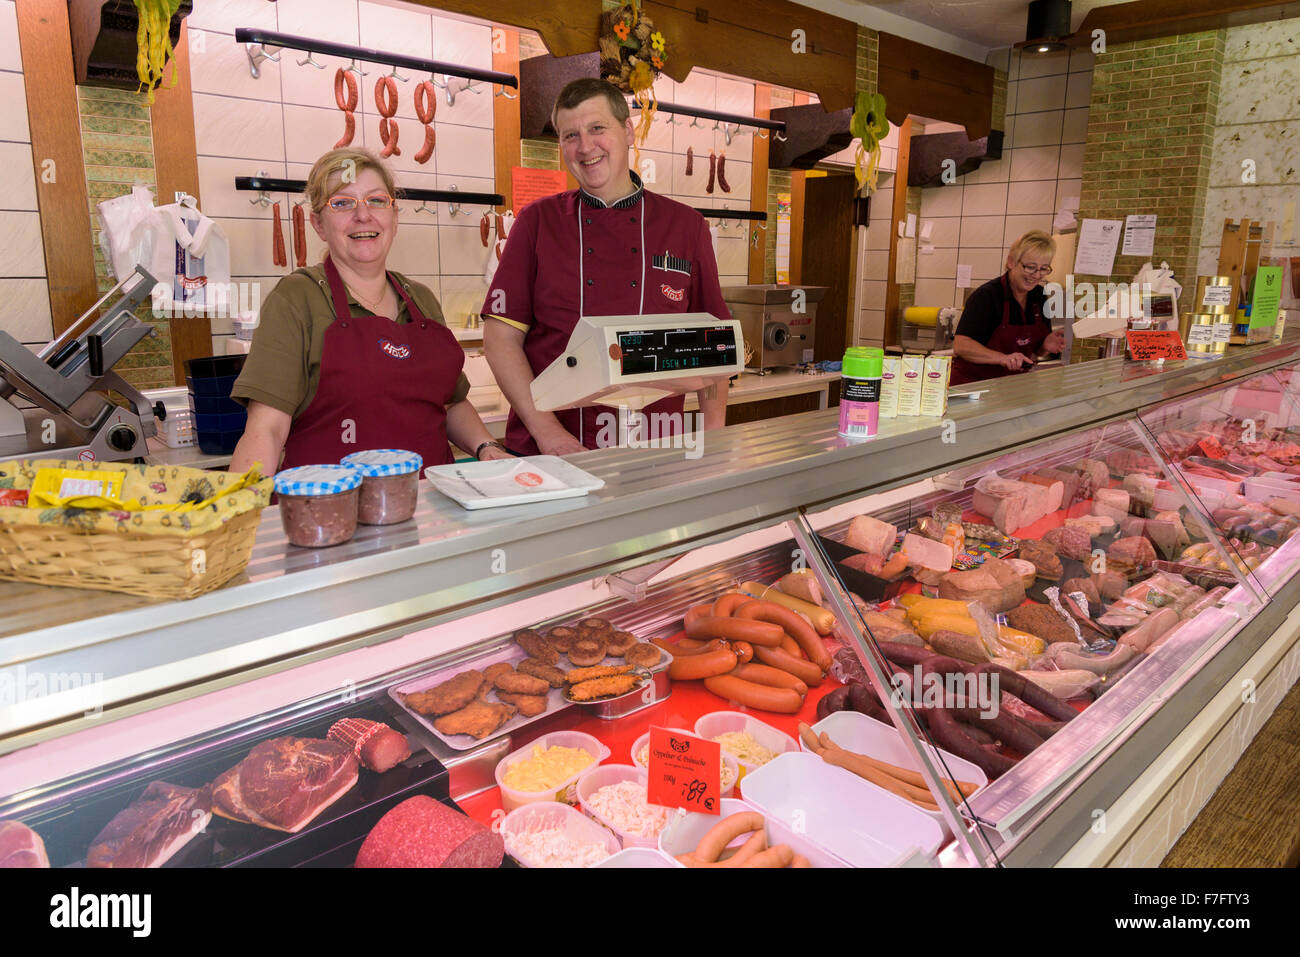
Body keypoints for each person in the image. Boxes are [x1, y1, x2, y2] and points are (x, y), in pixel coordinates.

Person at [482, 78, 730, 456]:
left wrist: (713, 441)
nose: (585, 147)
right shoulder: (537, 222)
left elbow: (716, 346)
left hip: (654, 451)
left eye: (597, 128)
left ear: (628, 131)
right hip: (551, 451)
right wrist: (549, 434)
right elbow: (500, 339)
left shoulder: (685, 227)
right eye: (570, 135)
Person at [228, 148, 510, 474]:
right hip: (332, 512)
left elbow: (451, 403)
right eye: (342, 203)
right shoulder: (296, 299)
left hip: (432, 506)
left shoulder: (421, 300)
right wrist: (242, 512)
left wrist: (486, 446)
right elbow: (267, 430)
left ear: (395, 215)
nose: (363, 216)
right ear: (318, 224)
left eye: (376, 200)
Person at [949, 230, 1066, 386]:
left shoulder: (1039, 296)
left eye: (1044, 269)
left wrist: (1045, 345)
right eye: (1030, 267)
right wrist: (1002, 358)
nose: (1037, 275)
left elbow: (1034, 352)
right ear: (1011, 262)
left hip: (1012, 387)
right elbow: (961, 345)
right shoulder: (987, 296)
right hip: (973, 386)